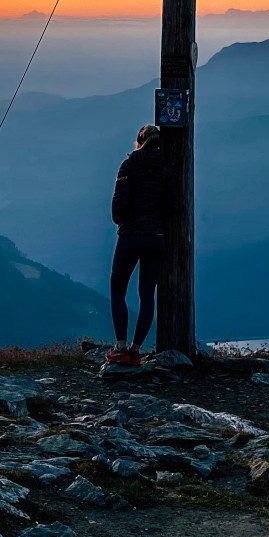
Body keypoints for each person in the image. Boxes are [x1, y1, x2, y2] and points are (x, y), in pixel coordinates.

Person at [106, 123, 172, 366]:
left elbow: (118, 207)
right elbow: (172, 204)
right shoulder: (166, 168)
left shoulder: (129, 165)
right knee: (147, 294)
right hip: (155, 237)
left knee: (118, 290)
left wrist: (123, 219)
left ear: (139, 140)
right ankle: (136, 350)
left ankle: (120, 348)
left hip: (131, 236)